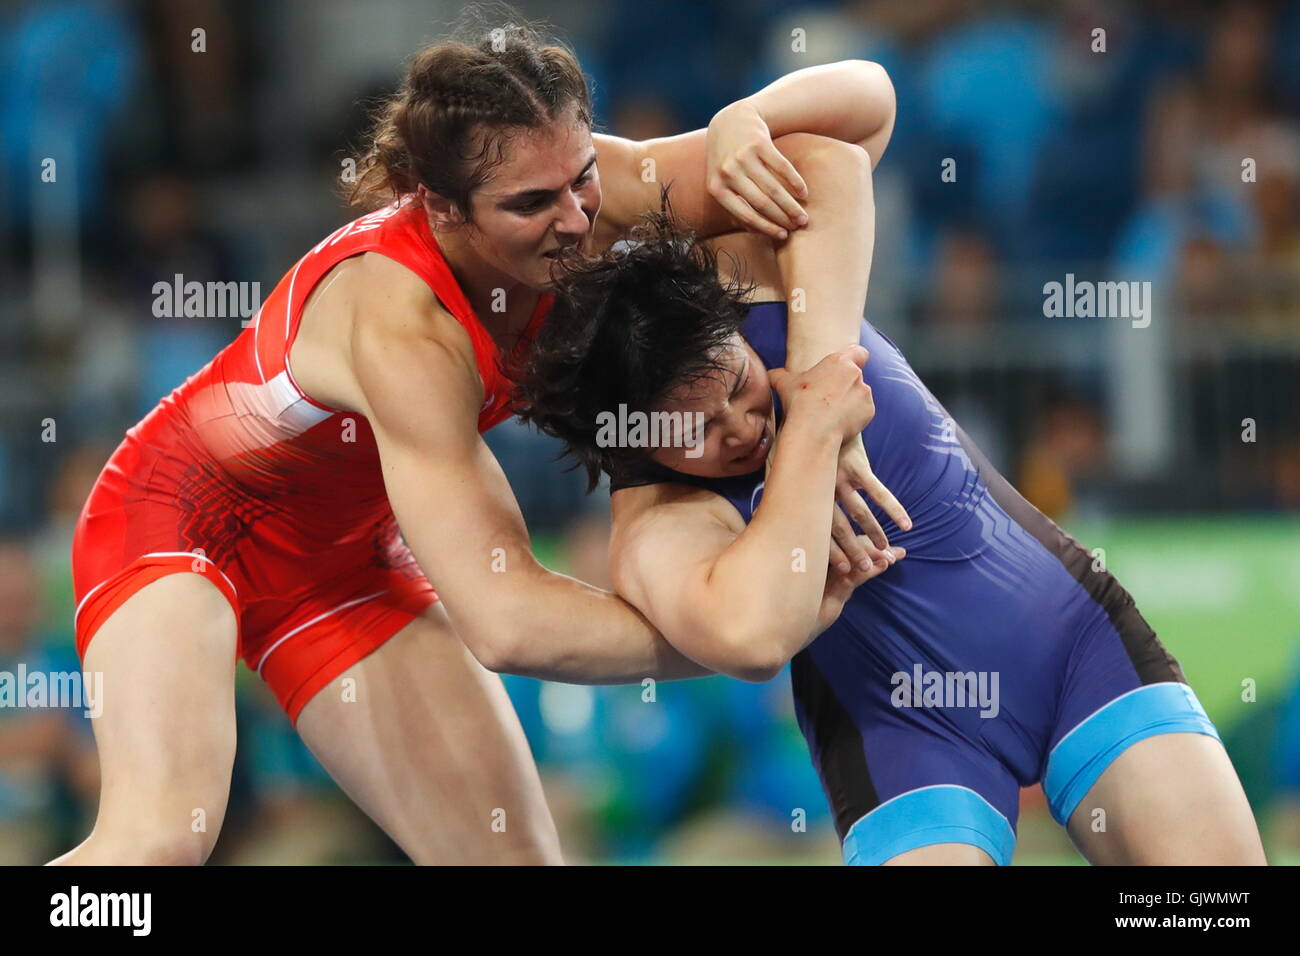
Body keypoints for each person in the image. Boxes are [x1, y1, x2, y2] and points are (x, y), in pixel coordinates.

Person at [53, 15, 908, 865]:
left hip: (344, 558)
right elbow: (507, 623)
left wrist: (747, 119)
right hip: (179, 518)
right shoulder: (403, 326)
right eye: (531, 205)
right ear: (436, 204)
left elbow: (851, 131)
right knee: (160, 841)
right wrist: (746, 626)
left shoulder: (603, 190)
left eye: (579, 178)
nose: (575, 222)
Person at [515, 205, 1269, 865]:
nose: (742, 428)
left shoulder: (785, 302)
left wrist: (739, 133)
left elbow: (847, 131)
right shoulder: (656, 524)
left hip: (1074, 648)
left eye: (739, 386)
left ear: (729, 322)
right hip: (900, 734)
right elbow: (747, 639)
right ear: (636, 442)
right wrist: (814, 429)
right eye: (700, 429)